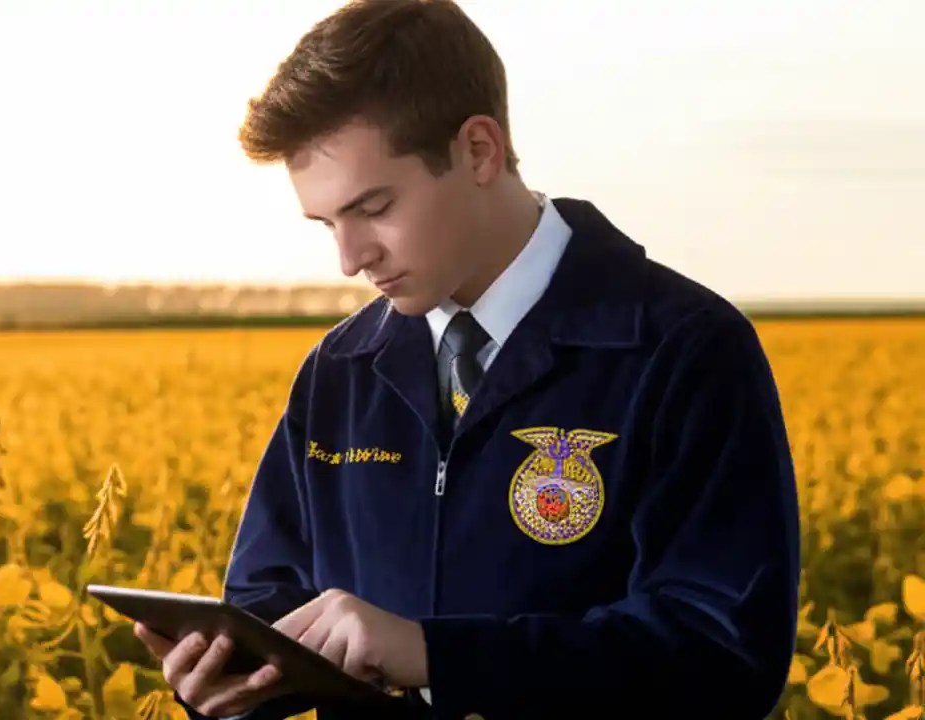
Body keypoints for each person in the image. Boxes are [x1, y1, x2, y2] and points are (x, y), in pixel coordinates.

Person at [133, 1, 802, 718]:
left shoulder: (684, 348)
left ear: (479, 150)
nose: (350, 259)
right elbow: (273, 600)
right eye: (328, 222)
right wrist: (230, 683)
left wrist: (437, 656)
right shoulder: (340, 369)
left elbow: (724, 655)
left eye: (375, 206)